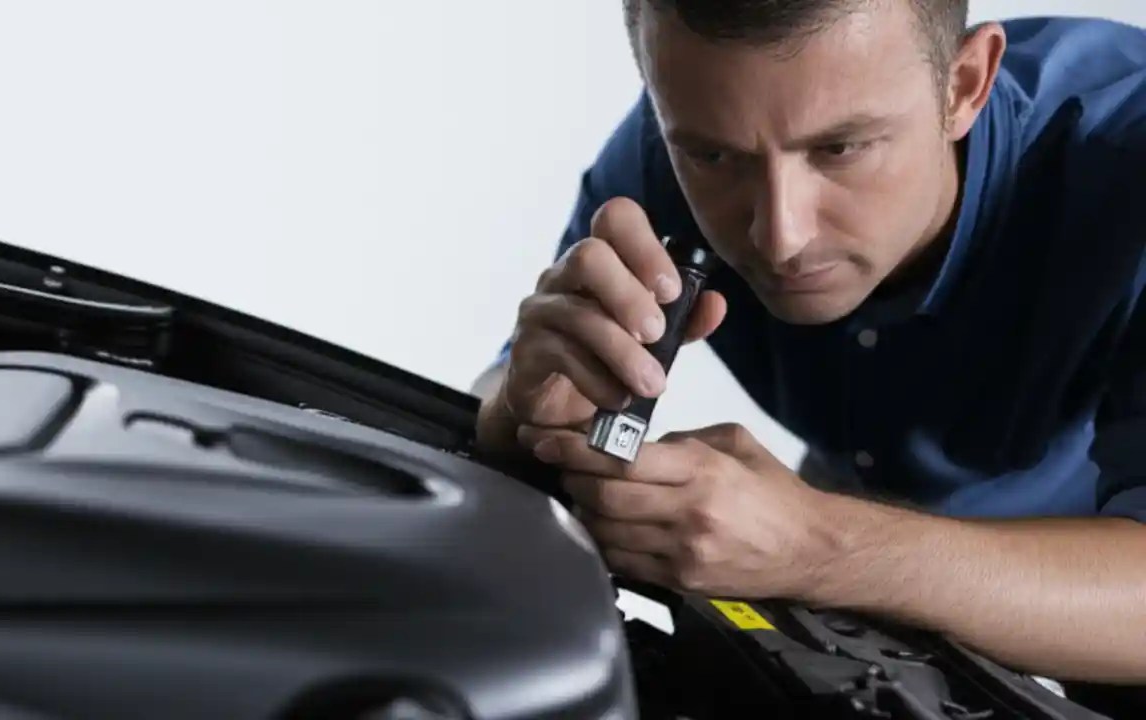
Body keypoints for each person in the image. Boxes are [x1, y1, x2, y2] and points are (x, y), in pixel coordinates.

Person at [472, 0, 1146, 693]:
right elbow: (497, 392)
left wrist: (822, 545)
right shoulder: (675, 141)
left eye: (840, 148)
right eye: (712, 155)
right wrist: (520, 415)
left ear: (965, 84)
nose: (779, 237)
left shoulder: (1129, 151)